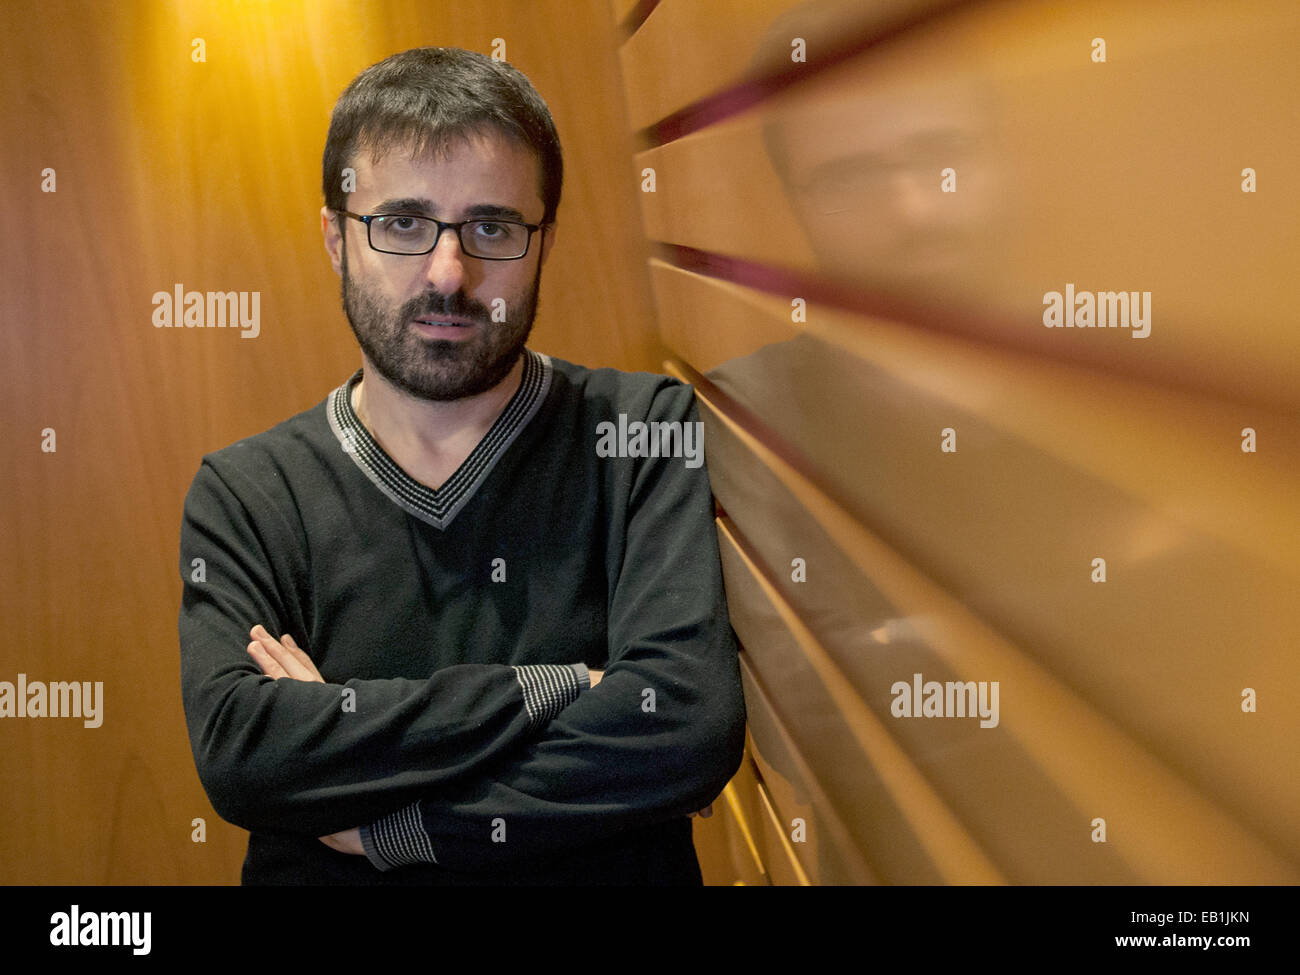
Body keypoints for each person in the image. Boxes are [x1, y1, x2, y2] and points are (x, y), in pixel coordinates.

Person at [177, 46, 746, 885]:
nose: (451, 273)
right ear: (336, 238)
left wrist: (386, 824)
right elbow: (245, 753)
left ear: (543, 238)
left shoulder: (642, 431)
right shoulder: (247, 497)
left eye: (493, 226)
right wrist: (561, 687)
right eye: (402, 223)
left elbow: (687, 725)